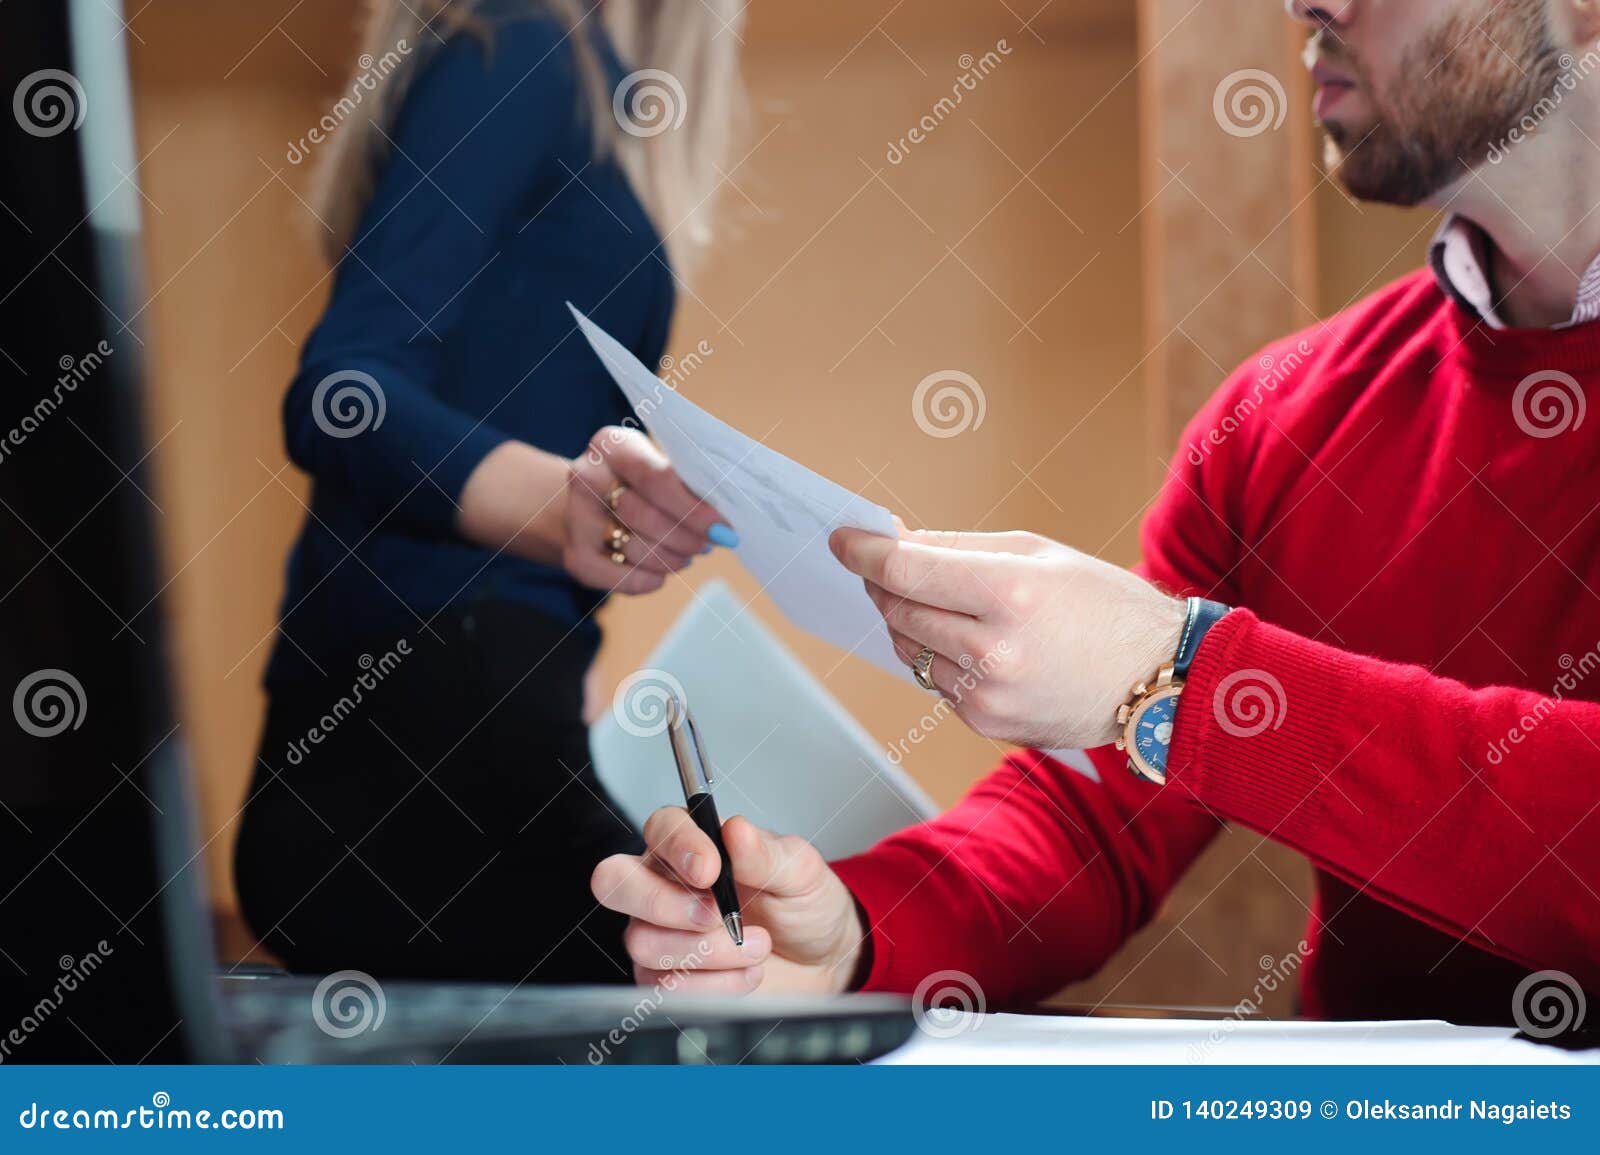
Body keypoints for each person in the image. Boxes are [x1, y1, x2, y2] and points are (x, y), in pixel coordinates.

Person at [593, 0, 1600, 1023]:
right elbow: (1098, 810)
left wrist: (1180, 673)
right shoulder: (1282, 416)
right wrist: (850, 937)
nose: (1310, 5)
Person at [235, 0, 746, 983]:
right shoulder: (517, 44)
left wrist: (575, 634)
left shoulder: (584, 82)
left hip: (486, 709)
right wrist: (576, 511)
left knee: (722, 953)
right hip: (410, 742)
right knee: (715, 971)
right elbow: (343, 392)